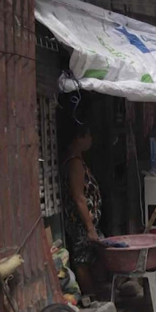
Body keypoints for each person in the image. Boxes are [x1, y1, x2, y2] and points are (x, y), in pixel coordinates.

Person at [61, 122, 103, 298]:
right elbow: (79, 198)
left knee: (93, 257)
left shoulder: (76, 161)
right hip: (80, 224)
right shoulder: (74, 163)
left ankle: (95, 295)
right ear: (79, 138)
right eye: (88, 136)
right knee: (82, 261)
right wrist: (90, 228)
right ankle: (91, 297)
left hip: (84, 223)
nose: (91, 139)